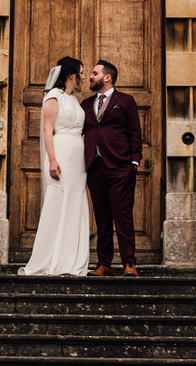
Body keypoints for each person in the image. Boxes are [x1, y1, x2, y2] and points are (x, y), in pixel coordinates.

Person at [20, 56, 90, 276]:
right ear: (71, 74)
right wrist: (52, 159)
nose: (84, 76)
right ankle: (50, 258)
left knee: (75, 203)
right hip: (60, 154)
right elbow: (47, 129)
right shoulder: (53, 97)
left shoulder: (75, 101)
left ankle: (72, 260)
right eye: (81, 72)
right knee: (58, 201)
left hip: (77, 158)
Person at [81, 58, 142, 276]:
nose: (90, 76)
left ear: (107, 77)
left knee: (123, 216)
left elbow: (135, 132)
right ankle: (104, 263)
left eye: (94, 73)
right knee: (102, 217)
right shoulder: (86, 105)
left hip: (120, 167)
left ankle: (129, 263)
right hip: (95, 168)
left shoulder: (125, 101)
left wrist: (133, 162)